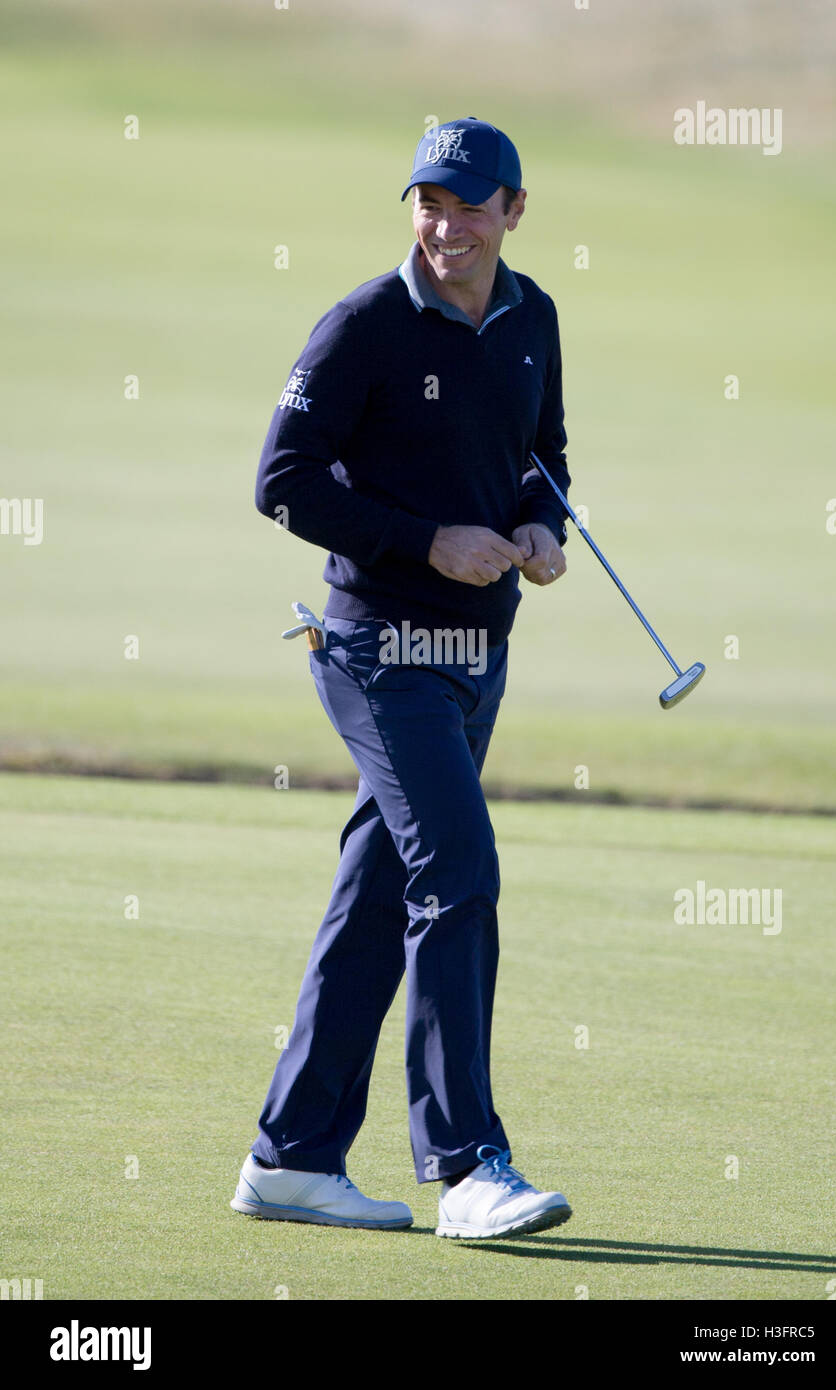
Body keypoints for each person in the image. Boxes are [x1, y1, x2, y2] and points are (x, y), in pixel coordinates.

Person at [231, 118, 572, 1239]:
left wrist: (541, 526)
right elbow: (282, 482)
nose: (446, 226)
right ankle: (468, 1167)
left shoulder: (531, 317)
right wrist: (426, 542)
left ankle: (291, 1158)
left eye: (470, 205)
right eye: (429, 203)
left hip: (478, 657)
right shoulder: (365, 324)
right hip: (380, 652)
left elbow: (542, 458)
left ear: (513, 210)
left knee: (379, 898)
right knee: (458, 870)